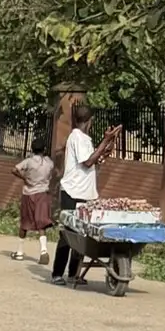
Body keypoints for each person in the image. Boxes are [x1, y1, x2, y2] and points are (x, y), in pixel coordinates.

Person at [53, 104, 120, 283]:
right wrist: (105, 141)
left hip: (84, 193)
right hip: (73, 192)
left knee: (80, 235)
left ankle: (73, 273)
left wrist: (108, 144)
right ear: (91, 121)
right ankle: (58, 273)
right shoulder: (78, 138)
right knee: (68, 234)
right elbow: (88, 162)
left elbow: (95, 159)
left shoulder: (83, 139)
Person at [11, 134, 56, 265]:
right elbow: (52, 171)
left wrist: (24, 178)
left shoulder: (28, 162)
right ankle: (43, 251)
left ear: (31, 148)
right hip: (42, 194)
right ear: (44, 149)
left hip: (28, 193)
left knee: (25, 222)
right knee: (41, 222)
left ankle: (19, 252)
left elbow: (14, 169)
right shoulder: (49, 162)